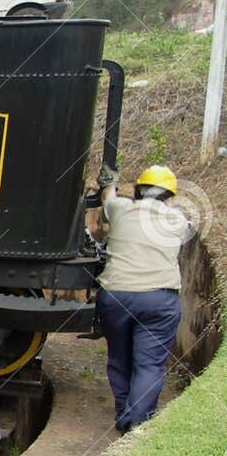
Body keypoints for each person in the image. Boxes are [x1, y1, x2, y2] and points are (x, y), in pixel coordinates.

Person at [86, 165, 190, 432]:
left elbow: (108, 196)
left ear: (138, 190)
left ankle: (124, 415)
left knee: (119, 359)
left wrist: (110, 183)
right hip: (158, 299)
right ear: (169, 196)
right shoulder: (177, 220)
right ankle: (137, 425)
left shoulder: (121, 209)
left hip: (117, 296)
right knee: (150, 365)